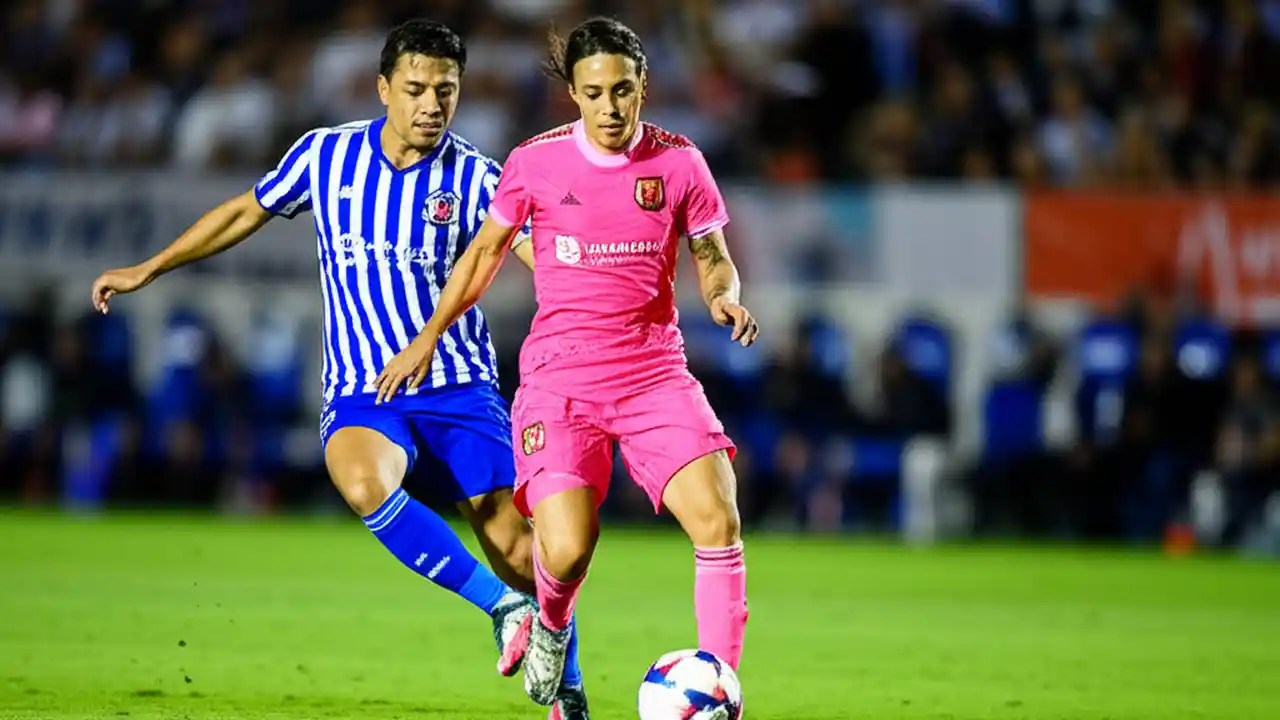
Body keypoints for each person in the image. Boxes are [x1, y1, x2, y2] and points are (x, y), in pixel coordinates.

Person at [88, 20, 589, 718]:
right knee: (362, 482)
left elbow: (543, 261)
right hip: (362, 387)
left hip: (460, 385)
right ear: (383, 88)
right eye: (415, 89)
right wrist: (150, 267)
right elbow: (245, 212)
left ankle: (568, 685)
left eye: (446, 91)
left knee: (514, 541)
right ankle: (505, 612)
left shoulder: (477, 175)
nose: (431, 105)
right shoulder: (326, 156)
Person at [374, 17, 756, 705]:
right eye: (594, 93)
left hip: (653, 373)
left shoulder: (679, 163)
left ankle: (717, 692)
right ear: (572, 95)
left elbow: (711, 254)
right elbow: (485, 254)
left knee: (718, 519)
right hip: (561, 384)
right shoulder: (535, 163)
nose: (610, 108)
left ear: (644, 87)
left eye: (623, 90)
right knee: (568, 550)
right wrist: (427, 336)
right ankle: (551, 623)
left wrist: (724, 297)